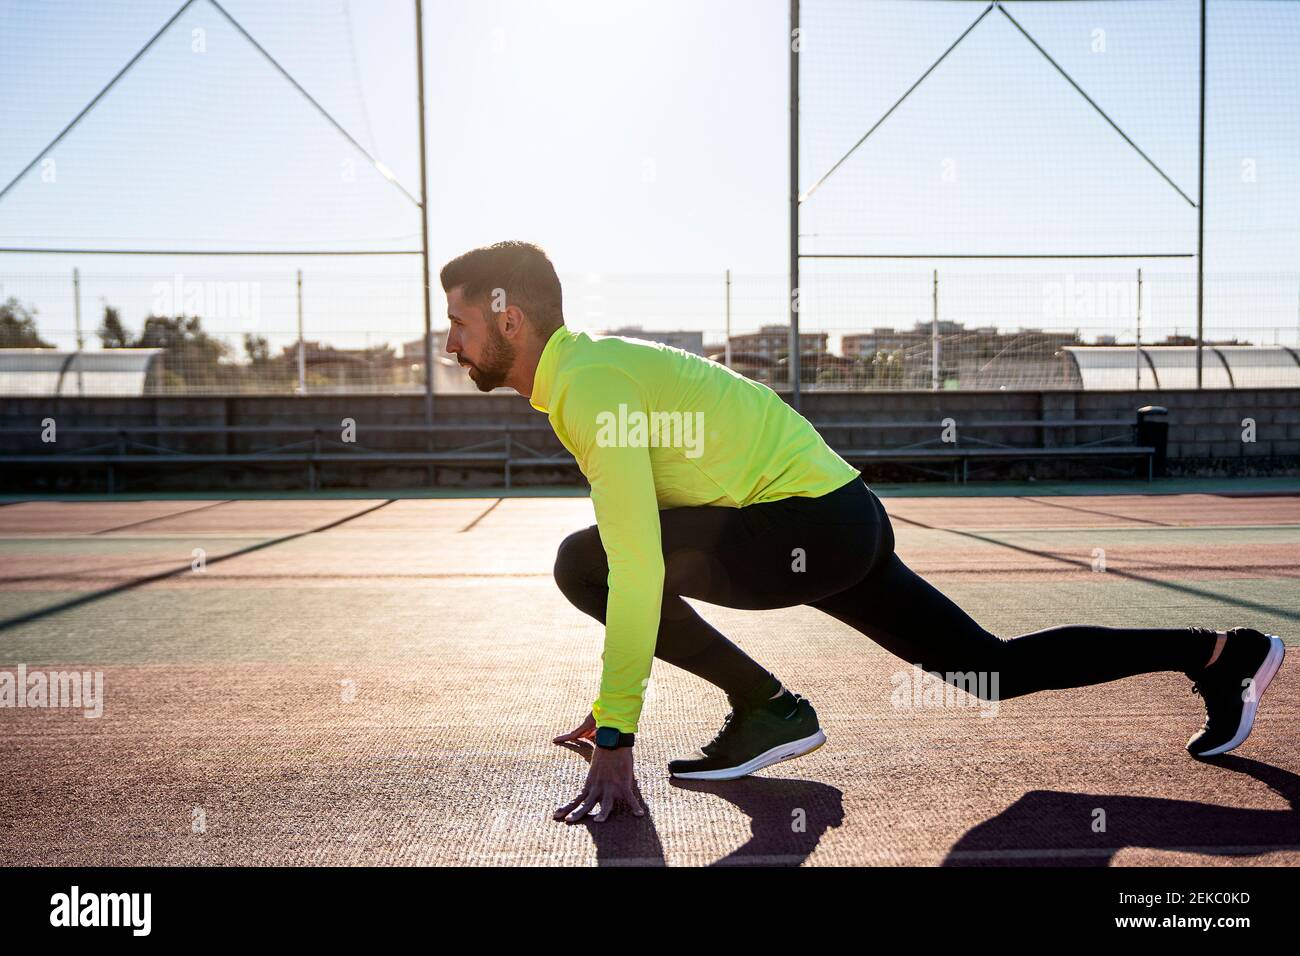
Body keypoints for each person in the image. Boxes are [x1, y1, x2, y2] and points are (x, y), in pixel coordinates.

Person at [440, 240, 1287, 826]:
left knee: (587, 561)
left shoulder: (589, 386)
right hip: (835, 518)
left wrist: (617, 735)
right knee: (990, 670)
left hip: (810, 523)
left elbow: (634, 564)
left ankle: (768, 707)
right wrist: (612, 698)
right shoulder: (587, 374)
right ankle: (1221, 653)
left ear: (511, 320)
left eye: (461, 323)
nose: (451, 342)